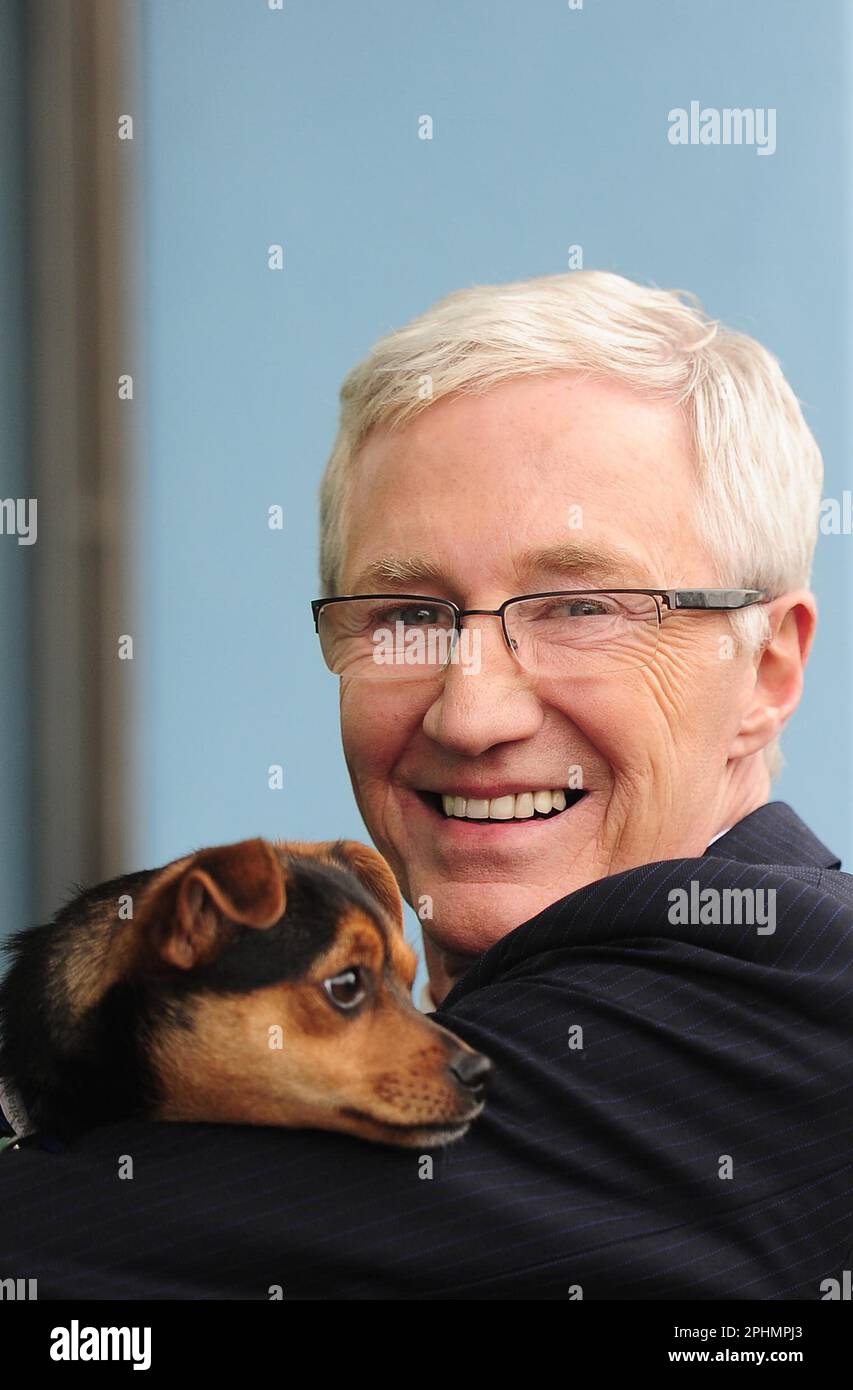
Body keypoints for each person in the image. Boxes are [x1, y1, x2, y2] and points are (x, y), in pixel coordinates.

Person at [1, 271, 851, 1299]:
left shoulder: (776, 1007)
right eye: (404, 615)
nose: (471, 712)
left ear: (767, 670)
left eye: (581, 607)